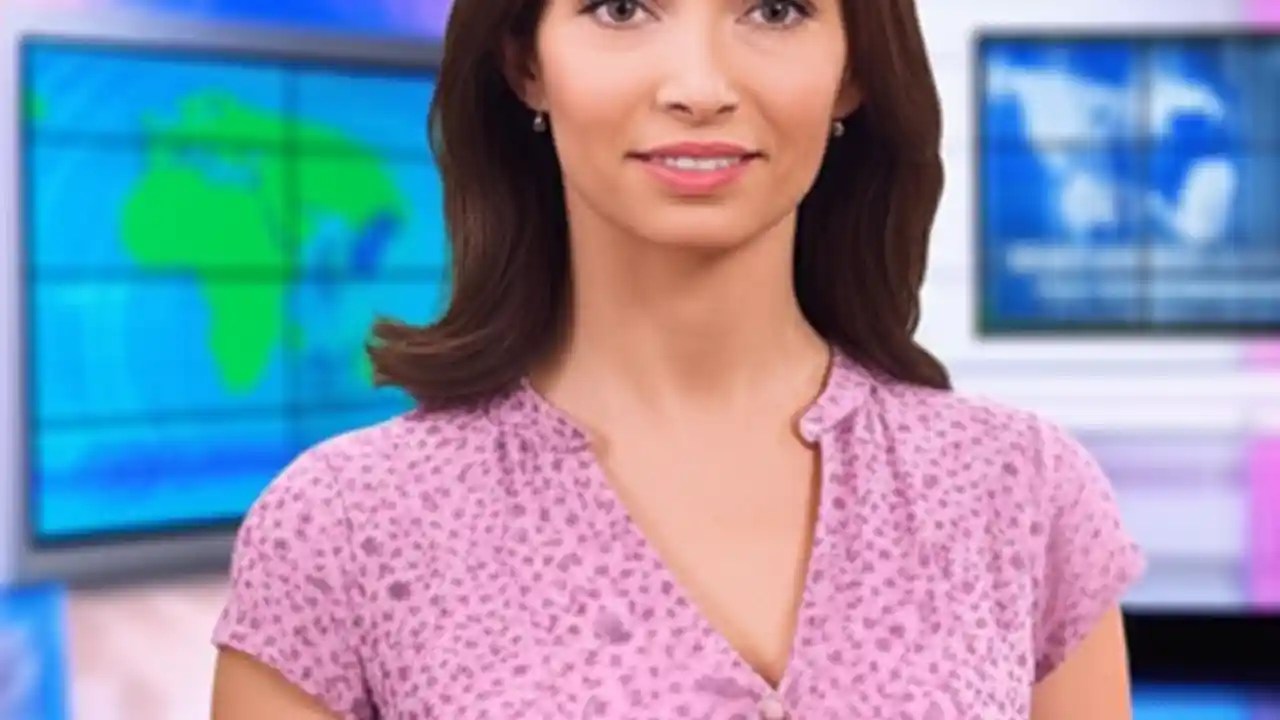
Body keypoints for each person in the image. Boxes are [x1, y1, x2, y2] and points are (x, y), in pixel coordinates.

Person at [210, 0, 1146, 717]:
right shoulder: (341, 526)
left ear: (855, 65)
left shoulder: (1022, 490)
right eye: (620, 7)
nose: (699, 83)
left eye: (774, 9)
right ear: (524, 61)